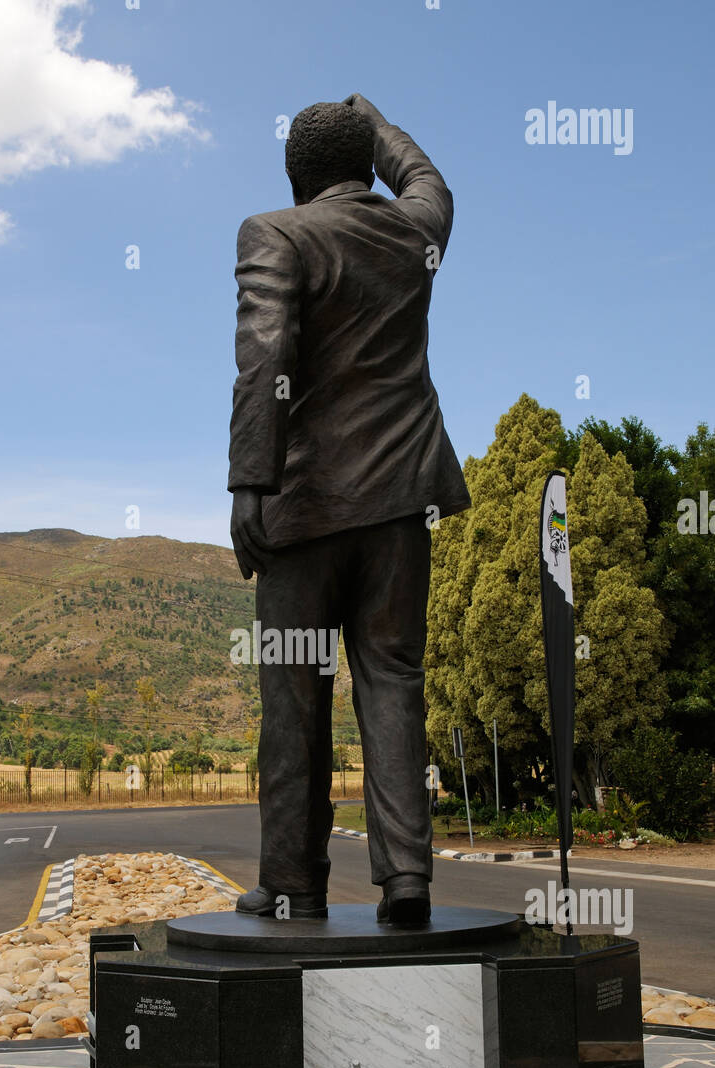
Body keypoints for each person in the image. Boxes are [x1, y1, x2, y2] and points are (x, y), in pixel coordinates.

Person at [228, 95, 470, 925]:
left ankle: (292, 883)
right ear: (364, 165)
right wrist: (378, 122)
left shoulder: (278, 233)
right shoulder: (414, 235)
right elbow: (427, 177)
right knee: (394, 684)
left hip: (303, 510)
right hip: (401, 505)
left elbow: (264, 361)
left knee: (294, 697)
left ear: (295, 178)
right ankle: (407, 878)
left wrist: (248, 483)